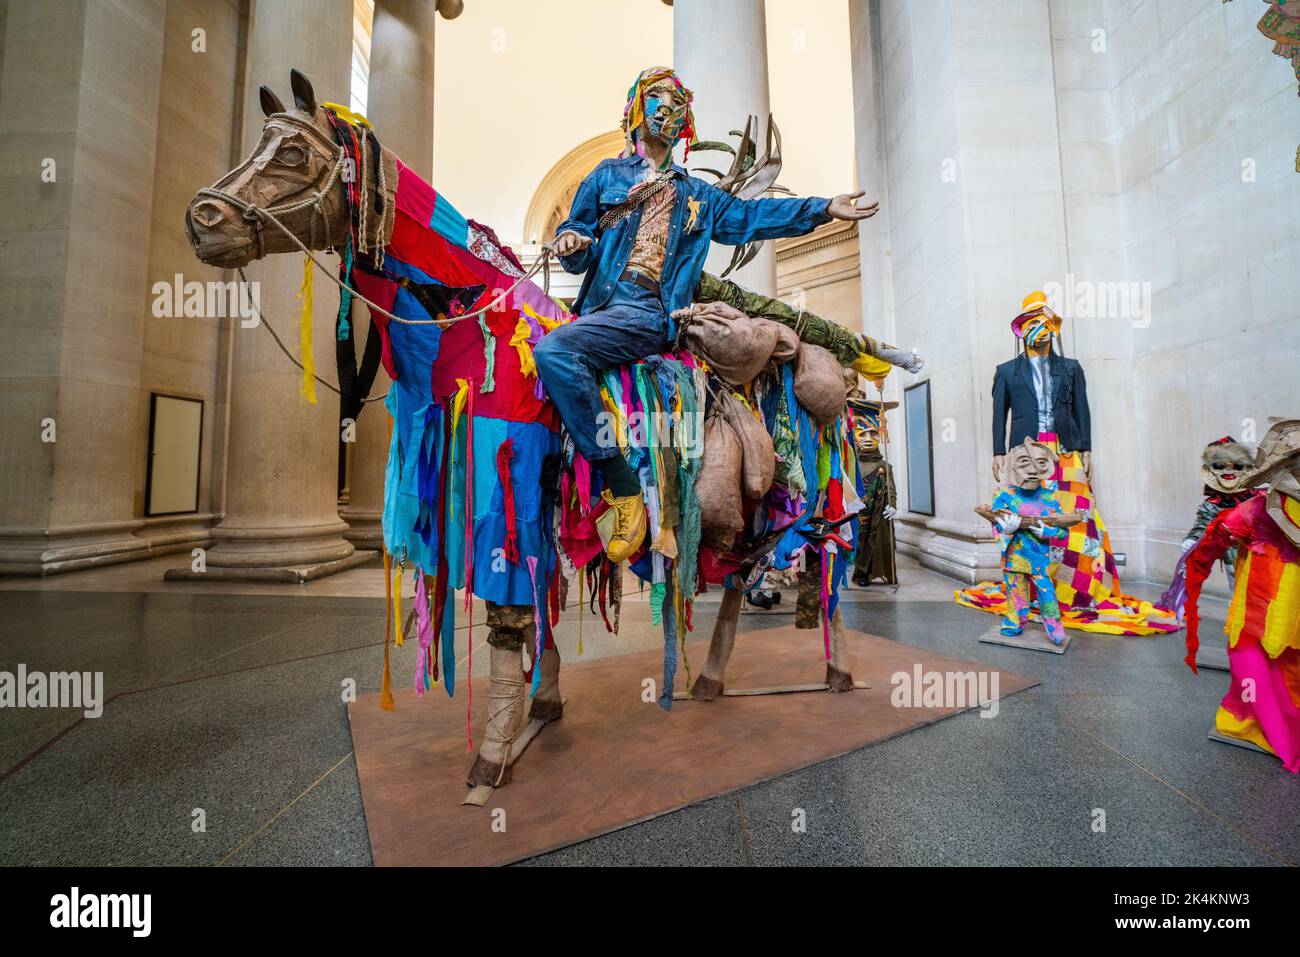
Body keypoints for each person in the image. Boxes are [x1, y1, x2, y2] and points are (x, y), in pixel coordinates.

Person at [533, 66, 880, 563]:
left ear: (684, 126)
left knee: (554, 350)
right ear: (636, 108)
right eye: (656, 97)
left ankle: (621, 483)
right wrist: (571, 241)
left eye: (677, 103)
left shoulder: (698, 194)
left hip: (652, 314)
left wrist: (823, 208)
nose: (667, 108)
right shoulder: (605, 177)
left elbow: (752, 217)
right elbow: (578, 244)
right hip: (605, 306)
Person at [991, 291, 1091, 484]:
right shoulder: (1006, 372)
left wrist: (1086, 449)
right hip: (1025, 447)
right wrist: (998, 452)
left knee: (1071, 504)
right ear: (1022, 330)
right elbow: (999, 415)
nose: (1040, 329)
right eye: (1033, 324)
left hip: (1066, 447)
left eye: (1045, 324)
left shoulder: (1071, 368)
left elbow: (1081, 410)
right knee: (1031, 505)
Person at [987, 441, 1070, 645]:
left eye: (1039, 463)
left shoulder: (1049, 497)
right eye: (1025, 463)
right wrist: (1006, 529)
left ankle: (1054, 625)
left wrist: (1047, 531)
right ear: (1014, 466)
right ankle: (1014, 622)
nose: (1032, 470)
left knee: (1046, 591)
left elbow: (1063, 532)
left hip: (1039, 560)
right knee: (1015, 593)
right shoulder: (1004, 494)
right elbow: (995, 524)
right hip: (1014, 557)